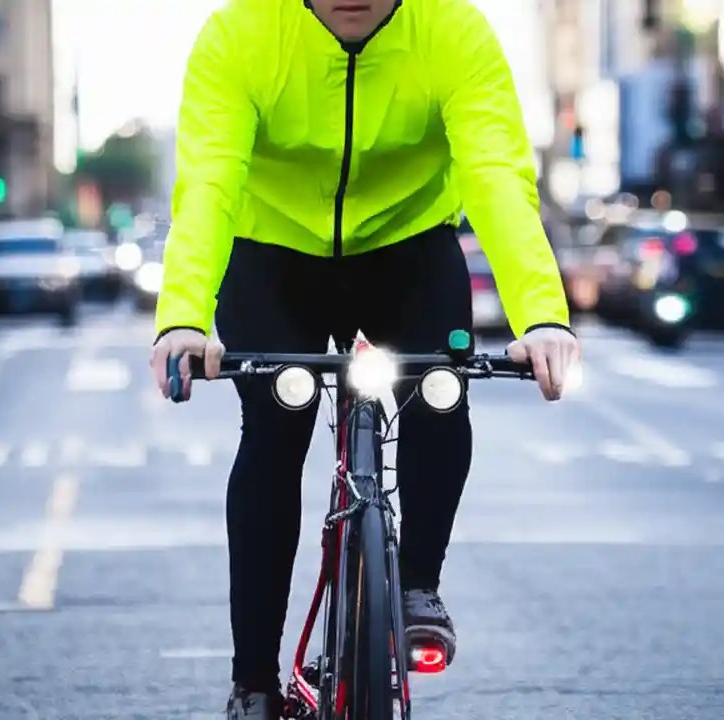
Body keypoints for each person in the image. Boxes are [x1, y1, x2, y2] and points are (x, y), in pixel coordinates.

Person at [146, 1, 581, 717]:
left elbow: (498, 175)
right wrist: (182, 320)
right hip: (272, 254)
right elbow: (209, 186)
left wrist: (542, 315)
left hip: (407, 251)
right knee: (277, 424)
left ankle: (417, 587)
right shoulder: (241, 34)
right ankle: (253, 682)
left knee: (440, 388)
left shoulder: (453, 31)